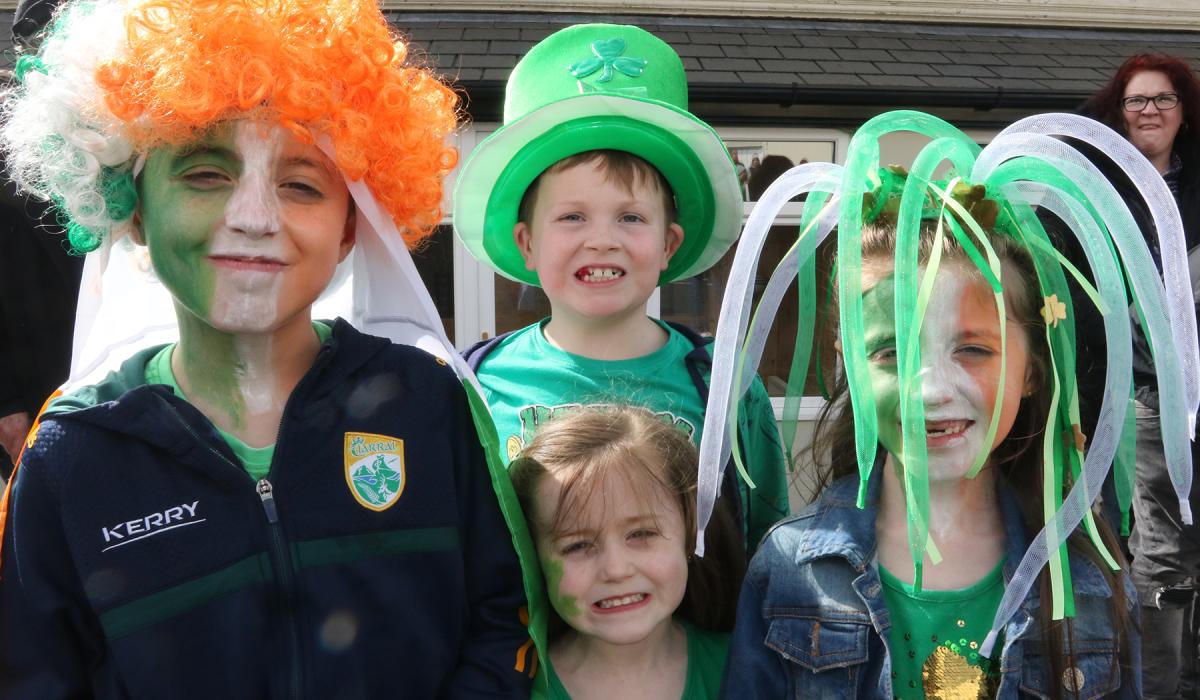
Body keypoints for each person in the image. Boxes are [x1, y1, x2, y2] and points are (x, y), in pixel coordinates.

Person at [0, 0, 531, 696]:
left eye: (301, 184)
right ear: (131, 209)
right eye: (204, 175)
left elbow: (502, 621)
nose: (253, 218)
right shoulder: (72, 457)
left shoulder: (428, 403)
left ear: (350, 229)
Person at [702, 109, 1200, 697]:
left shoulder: (1087, 577)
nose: (930, 389)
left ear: (1033, 369)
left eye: (972, 348)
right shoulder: (788, 570)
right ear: (848, 364)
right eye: (889, 353)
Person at [454, 23, 790, 554]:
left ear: (668, 244)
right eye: (571, 217)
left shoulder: (725, 386)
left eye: (631, 217)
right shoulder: (472, 384)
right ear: (526, 244)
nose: (601, 241)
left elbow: (766, 549)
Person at [1083, 53, 1200, 700]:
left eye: (1163, 100)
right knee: (1161, 551)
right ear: (1117, 113)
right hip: (1150, 394)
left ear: (1184, 114)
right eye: (1135, 101)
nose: (1149, 111)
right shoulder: (1101, 188)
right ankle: (1154, 688)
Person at [509, 404, 744, 700]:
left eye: (641, 534)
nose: (616, 570)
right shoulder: (512, 686)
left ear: (689, 531)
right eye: (577, 545)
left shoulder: (745, 670)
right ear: (533, 559)